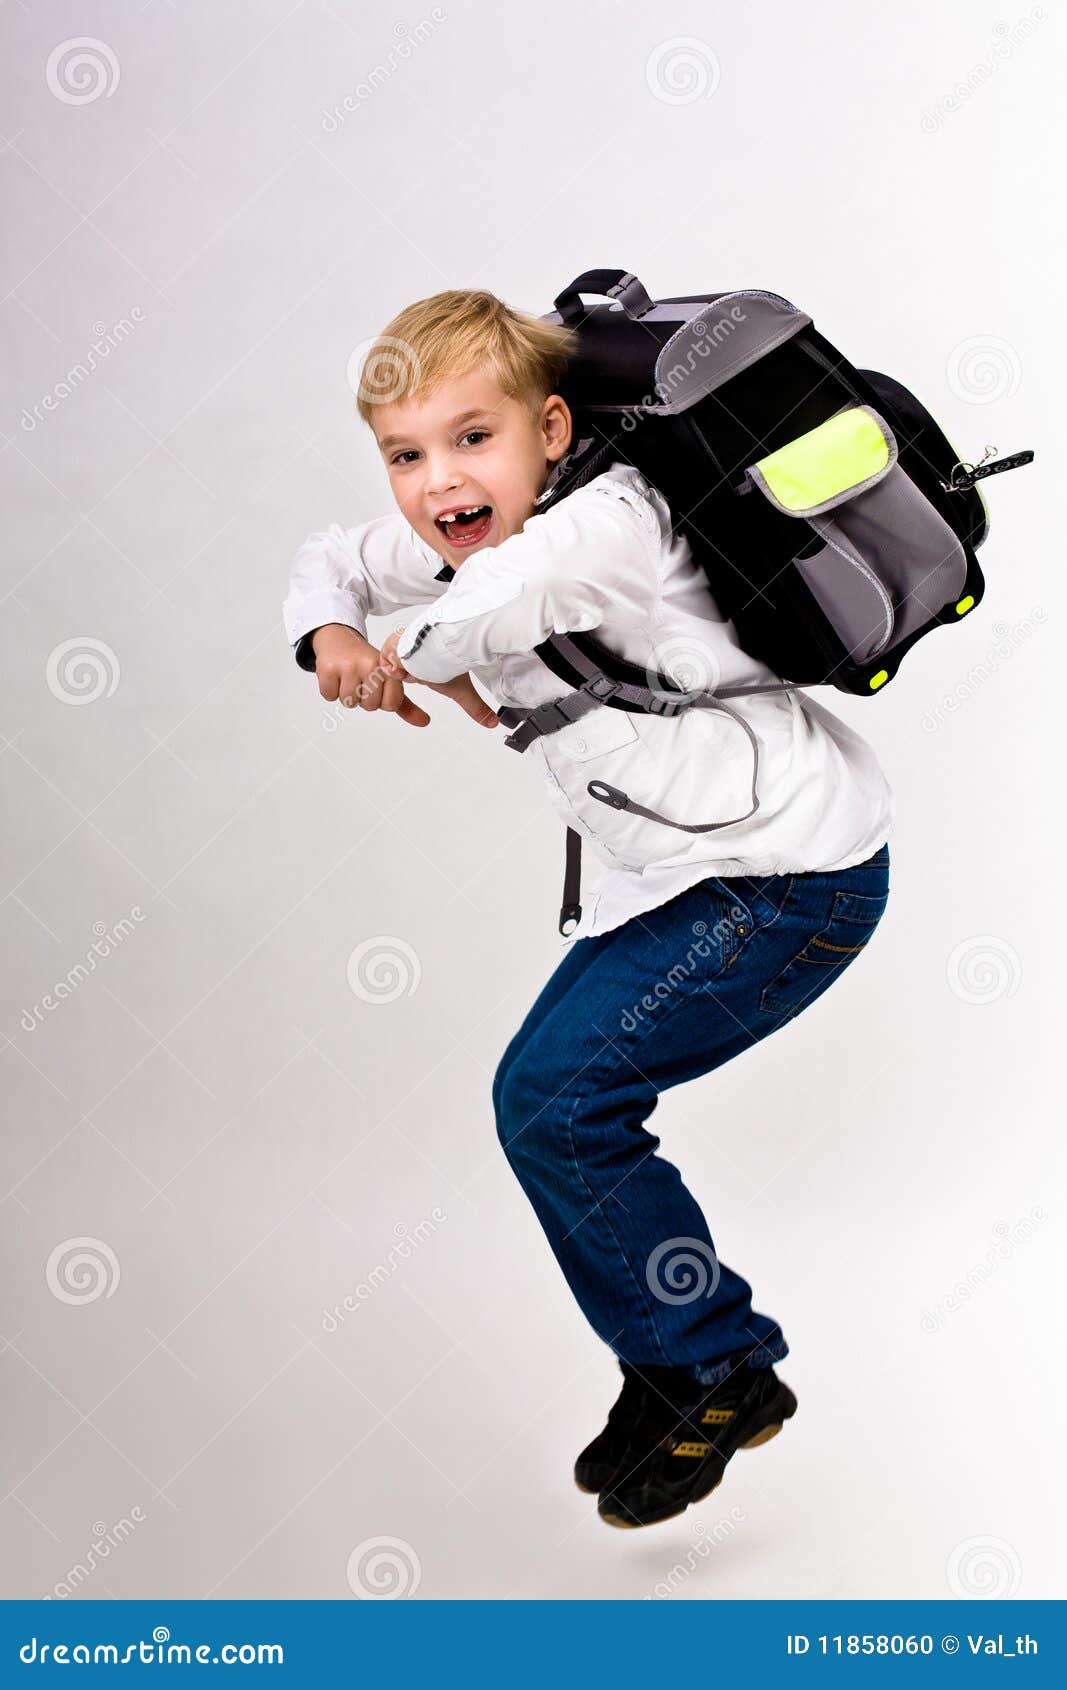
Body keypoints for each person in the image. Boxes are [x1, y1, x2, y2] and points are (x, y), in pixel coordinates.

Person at [283, 288, 893, 1529]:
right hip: (695, 870)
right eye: (406, 453)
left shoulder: (597, 524)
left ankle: (711, 1366)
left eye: (471, 438)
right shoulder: (486, 520)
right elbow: (335, 559)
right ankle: (679, 1360)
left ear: (552, 429)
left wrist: (397, 653)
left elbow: (472, 615)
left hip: (790, 881)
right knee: (548, 1104)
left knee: (557, 1104)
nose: (438, 479)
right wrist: (326, 631)